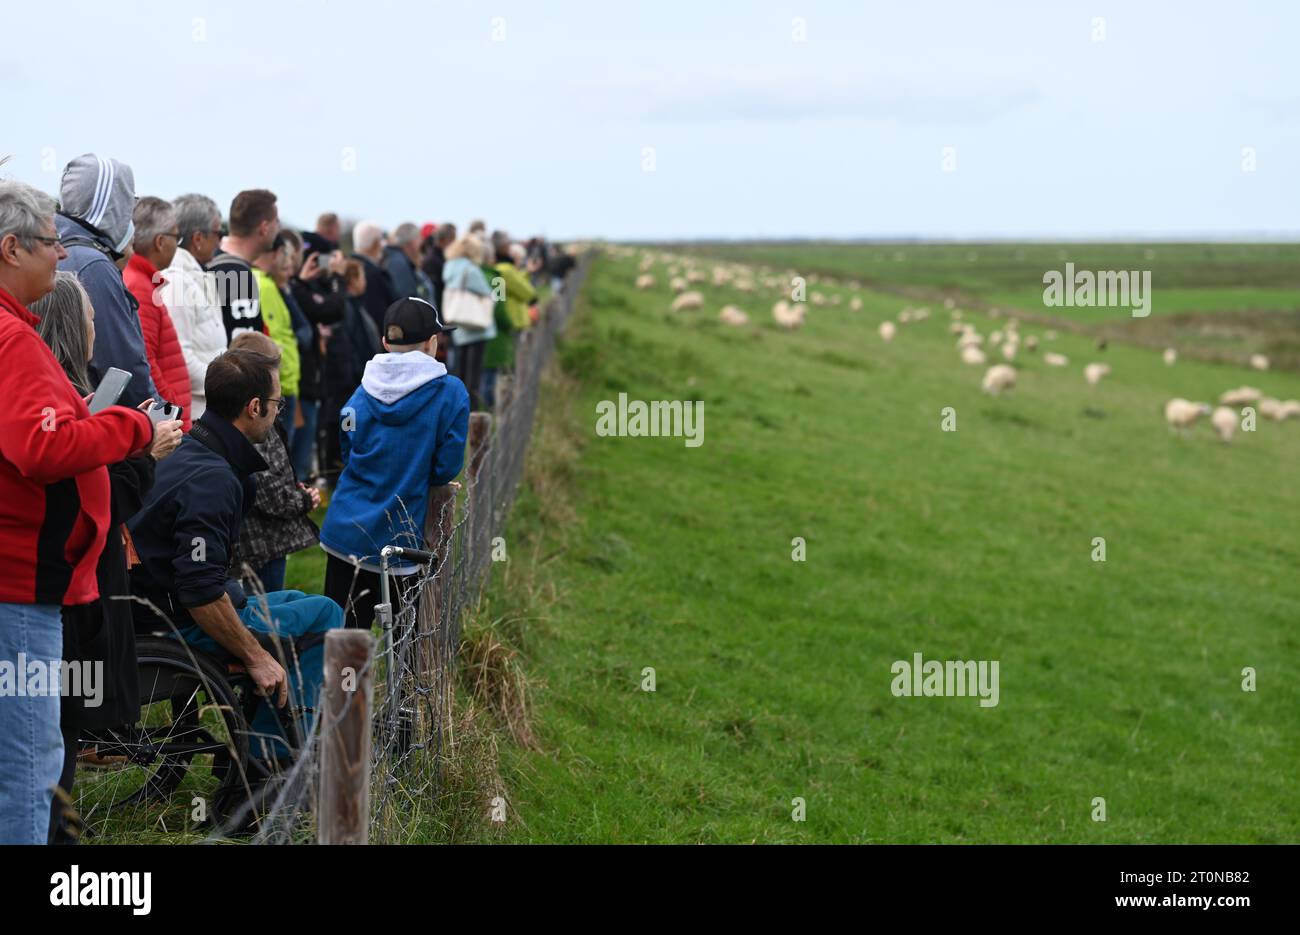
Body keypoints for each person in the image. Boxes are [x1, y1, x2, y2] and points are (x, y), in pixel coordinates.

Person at [0, 180, 155, 844]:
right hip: (21, 586)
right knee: (30, 760)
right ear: (11, 248)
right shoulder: (13, 340)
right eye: (49, 245)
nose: (62, 258)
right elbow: (40, 445)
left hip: (20, 580)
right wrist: (129, 429)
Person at [126, 348, 344, 763]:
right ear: (254, 407)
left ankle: (266, 743)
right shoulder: (213, 479)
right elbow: (199, 591)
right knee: (324, 617)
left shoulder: (191, 450)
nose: (280, 413)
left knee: (302, 603)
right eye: (277, 404)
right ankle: (266, 770)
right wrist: (256, 657)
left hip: (150, 605)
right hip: (170, 623)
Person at [32, 272, 183, 843]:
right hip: (75, 586)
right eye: (92, 317)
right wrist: (145, 452)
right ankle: (56, 838)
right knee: (58, 729)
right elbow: (91, 497)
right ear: (73, 327)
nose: (100, 326)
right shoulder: (60, 402)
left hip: (72, 581)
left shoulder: (70, 393)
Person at [319, 297, 468, 630]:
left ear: (385, 342)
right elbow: (446, 467)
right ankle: (401, 685)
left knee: (344, 642)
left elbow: (348, 446)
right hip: (400, 538)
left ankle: (343, 684)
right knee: (406, 650)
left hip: (345, 532)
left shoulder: (361, 392)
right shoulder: (450, 393)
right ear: (432, 342)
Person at [55, 154, 159, 408]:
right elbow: (121, 367)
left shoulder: (58, 249)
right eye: (128, 201)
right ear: (112, 205)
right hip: (100, 424)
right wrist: (155, 418)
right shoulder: (93, 265)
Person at [228, 332, 321, 594]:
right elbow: (266, 490)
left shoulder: (258, 420)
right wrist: (302, 500)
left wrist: (295, 487)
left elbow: (275, 473)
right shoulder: (255, 430)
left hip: (265, 539)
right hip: (262, 545)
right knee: (265, 607)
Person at [122, 197, 192, 430]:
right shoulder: (140, 287)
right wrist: (171, 408)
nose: (177, 245)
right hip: (167, 423)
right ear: (160, 241)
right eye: (176, 237)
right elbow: (146, 360)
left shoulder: (141, 280)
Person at [287, 235, 349, 481]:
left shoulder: (300, 286)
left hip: (307, 381)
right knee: (296, 457)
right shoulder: (294, 288)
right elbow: (332, 309)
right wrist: (337, 277)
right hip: (299, 382)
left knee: (301, 452)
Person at [163, 194, 227, 419]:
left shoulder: (194, 276)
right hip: (196, 416)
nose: (221, 242)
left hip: (206, 410)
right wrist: (227, 389)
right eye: (219, 233)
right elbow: (179, 356)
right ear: (198, 238)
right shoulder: (176, 282)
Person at [253, 234, 301, 453]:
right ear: (276, 253)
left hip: (282, 381)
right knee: (278, 459)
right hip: (278, 384)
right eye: (286, 254)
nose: (288, 262)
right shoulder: (263, 284)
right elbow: (276, 338)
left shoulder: (269, 284)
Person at [211, 189, 278, 342]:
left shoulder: (213, 261)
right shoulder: (237, 274)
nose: (278, 228)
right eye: (277, 222)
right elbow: (245, 353)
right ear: (264, 228)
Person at [442, 234, 495, 409]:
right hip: (475, 324)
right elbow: (488, 293)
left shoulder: (449, 267)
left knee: (460, 371)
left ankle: (457, 409)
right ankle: (471, 412)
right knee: (473, 376)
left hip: (459, 323)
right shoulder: (475, 270)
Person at [350, 220, 397, 331]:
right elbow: (379, 313)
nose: (383, 245)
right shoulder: (371, 273)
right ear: (375, 243)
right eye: (381, 240)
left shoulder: (349, 268)